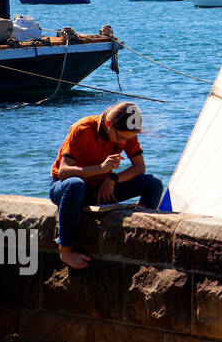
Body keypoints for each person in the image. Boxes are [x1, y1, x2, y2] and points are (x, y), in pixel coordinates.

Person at [49, 102, 163, 269]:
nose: (123, 142)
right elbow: (64, 172)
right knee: (75, 185)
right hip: (66, 187)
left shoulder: (128, 133)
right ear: (109, 124)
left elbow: (140, 167)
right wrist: (101, 168)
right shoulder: (82, 129)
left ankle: (140, 239)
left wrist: (112, 179)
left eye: (127, 138)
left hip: (101, 187)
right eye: (120, 137)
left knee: (154, 184)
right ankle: (65, 249)